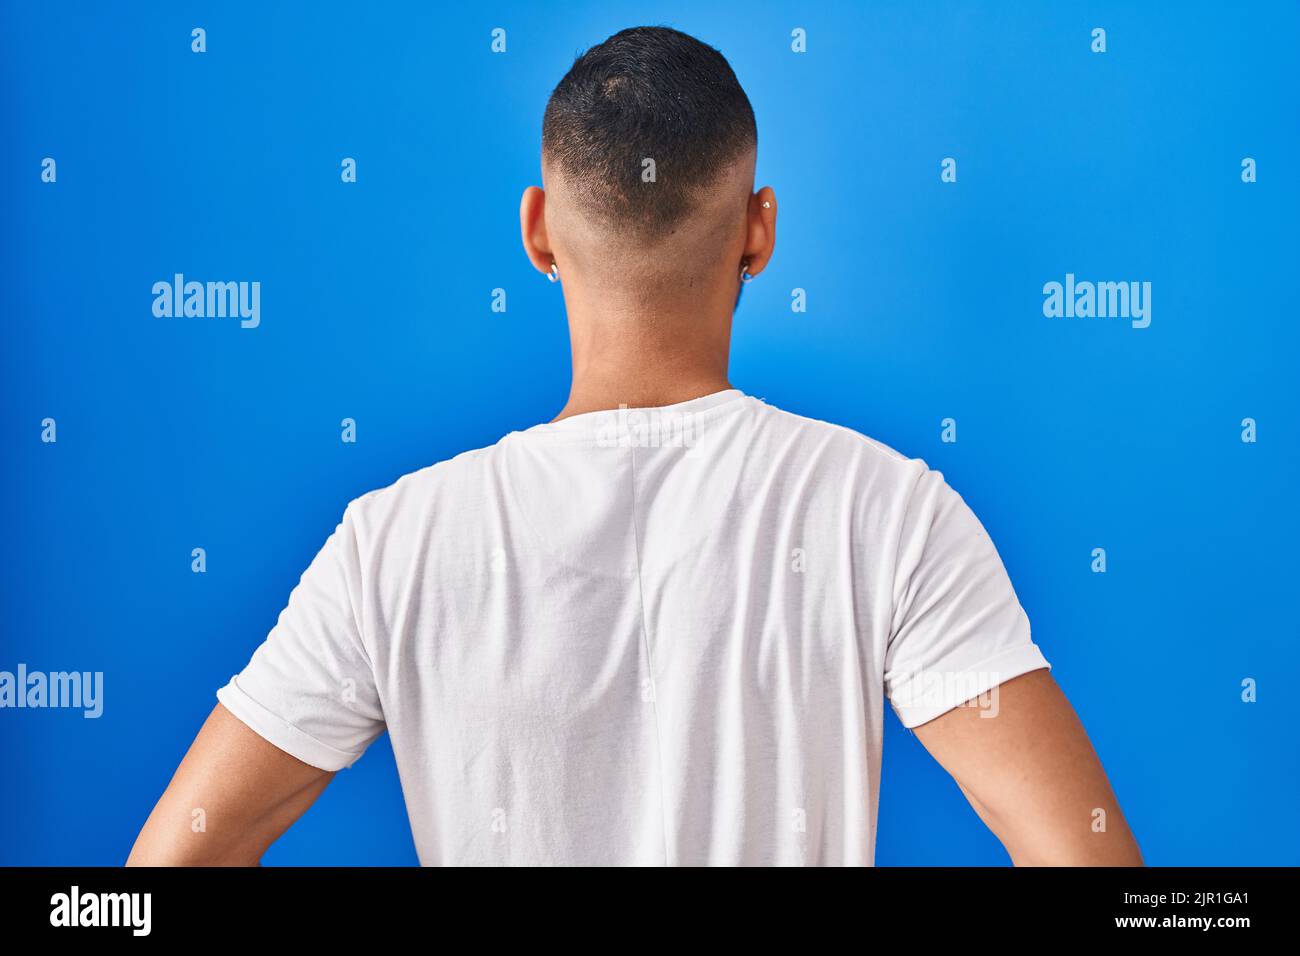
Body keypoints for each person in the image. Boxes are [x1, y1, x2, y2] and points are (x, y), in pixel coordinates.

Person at [128, 26, 1141, 867]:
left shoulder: (391, 541)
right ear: (758, 230)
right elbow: (1090, 862)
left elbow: (158, 875)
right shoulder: (887, 512)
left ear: (537, 231)